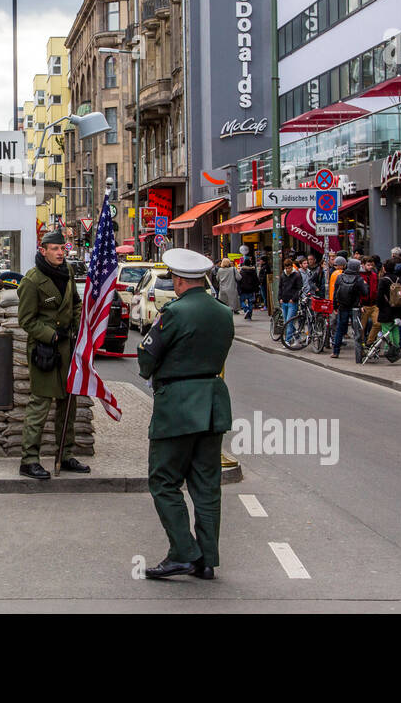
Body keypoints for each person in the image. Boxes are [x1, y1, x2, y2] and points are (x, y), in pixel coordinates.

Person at [138, 247, 234, 580]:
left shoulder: (174, 312)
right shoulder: (223, 312)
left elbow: (147, 356)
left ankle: (183, 552)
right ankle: (207, 559)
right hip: (212, 404)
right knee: (207, 486)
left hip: (177, 406)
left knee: (163, 481)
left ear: (179, 281)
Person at [16, 229, 87, 480]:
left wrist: (77, 329)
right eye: (54, 248)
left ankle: (64, 455)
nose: (60, 252)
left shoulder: (67, 272)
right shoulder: (32, 281)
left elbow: (76, 303)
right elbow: (26, 320)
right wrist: (51, 335)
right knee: (40, 404)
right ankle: (29, 460)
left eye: (62, 248)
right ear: (43, 251)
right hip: (45, 351)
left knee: (68, 403)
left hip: (68, 349)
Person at [330, 259, 368, 359]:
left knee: (340, 329)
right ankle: (359, 351)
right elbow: (365, 293)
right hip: (355, 307)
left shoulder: (340, 277)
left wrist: (335, 306)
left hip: (342, 306)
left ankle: (335, 351)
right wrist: (365, 284)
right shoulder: (359, 279)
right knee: (357, 330)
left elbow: (335, 293)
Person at [278, 259, 303, 344]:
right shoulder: (283, 275)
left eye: (290, 268)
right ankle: (297, 336)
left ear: (292, 267)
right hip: (284, 300)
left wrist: (294, 299)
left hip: (292, 302)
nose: (288, 270)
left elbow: (299, 288)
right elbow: (280, 287)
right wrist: (280, 298)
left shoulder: (297, 275)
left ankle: (287, 340)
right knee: (287, 321)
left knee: (289, 321)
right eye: (287, 268)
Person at [237, 255, 260, 320]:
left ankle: (246, 309)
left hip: (243, 289)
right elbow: (256, 280)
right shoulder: (253, 271)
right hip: (251, 289)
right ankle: (249, 315)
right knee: (250, 302)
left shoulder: (241, 272)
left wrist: (238, 288)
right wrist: (256, 288)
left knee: (241, 301)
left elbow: (239, 280)